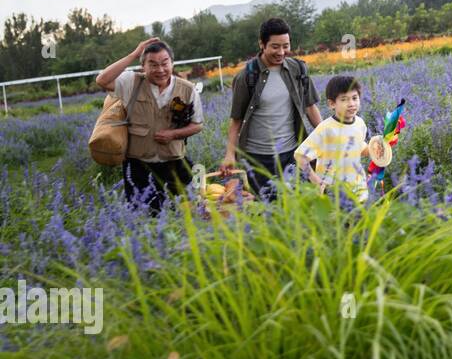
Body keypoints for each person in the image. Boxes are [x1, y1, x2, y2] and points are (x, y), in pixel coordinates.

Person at [95, 37, 204, 215]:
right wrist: (134, 54)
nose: (160, 70)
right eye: (153, 64)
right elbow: (102, 80)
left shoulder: (188, 89)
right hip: (138, 167)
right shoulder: (131, 83)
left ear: (172, 63)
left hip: (173, 164)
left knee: (182, 215)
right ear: (143, 67)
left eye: (164, 63)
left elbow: (197, 125)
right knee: (143, 218)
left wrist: (174, 134)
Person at [220, 17, 323, 200]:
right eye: (275, 47)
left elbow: (310, 107)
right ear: (262, 44)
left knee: (299, 203)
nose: (281, 52)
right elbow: (236, 120)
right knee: (268, 206)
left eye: (286, 46)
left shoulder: (298, 69)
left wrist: (328, 137)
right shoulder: (247, 76)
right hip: (259, 159)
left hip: (293, 153)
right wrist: (230, 154)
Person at [294, 75, 378, 204]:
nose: (351, 104)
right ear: (332, 104)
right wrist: (316, 180)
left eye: (354, 98)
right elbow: (300, 156)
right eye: (344, 99)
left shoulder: (360, 123)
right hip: (333, 194)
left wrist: (377, 149)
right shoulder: (326, 129)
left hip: (358, 191)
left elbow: (359, 148)